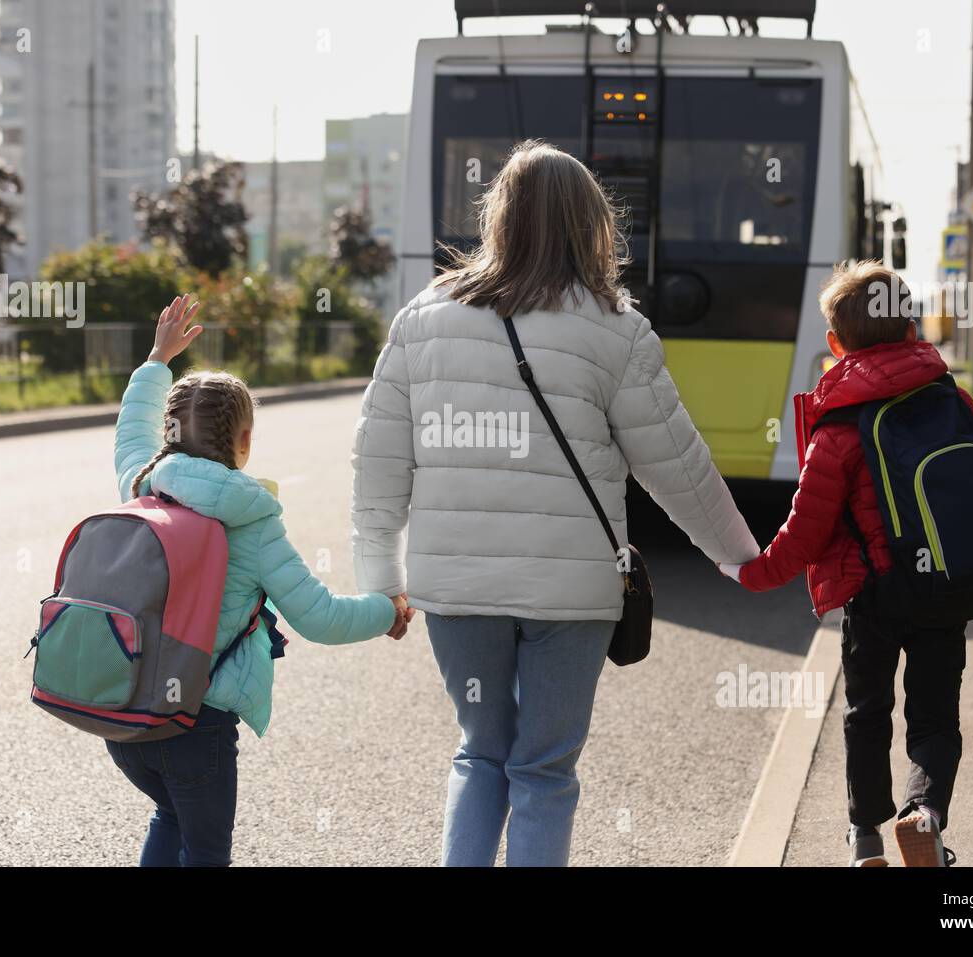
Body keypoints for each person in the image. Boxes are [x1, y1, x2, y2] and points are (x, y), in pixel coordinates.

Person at [350, 140, 759, 866]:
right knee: (543, 767)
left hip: (458, 590)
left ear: (500, 218)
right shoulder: (616, 329)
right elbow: (678, 465)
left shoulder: (424, 316)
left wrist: (381, 583)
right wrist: (742, 557)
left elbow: (379, 465)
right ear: (591, 225)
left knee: (481, 753)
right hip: (571, 596)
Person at [718, 261, 973, 867]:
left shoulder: (838, 426)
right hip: (943, 587)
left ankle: (867, 840)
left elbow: (804, 531)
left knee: (867, 711)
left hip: (872, 596)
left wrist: (752, 571)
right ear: (911, 330)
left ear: (835, 344)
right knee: (936, 717)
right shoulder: (954, 401)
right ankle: (925, 814)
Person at [108, 296, 407, 866]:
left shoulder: (143, 486)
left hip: (127, 716)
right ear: (242, 442)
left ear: (169, 433)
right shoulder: (253, 522)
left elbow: (128, 435)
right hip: (199, 724)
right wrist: (385, 609)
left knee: (168, 816)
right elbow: (319, 617)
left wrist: (156, 359)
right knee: (206, 850)